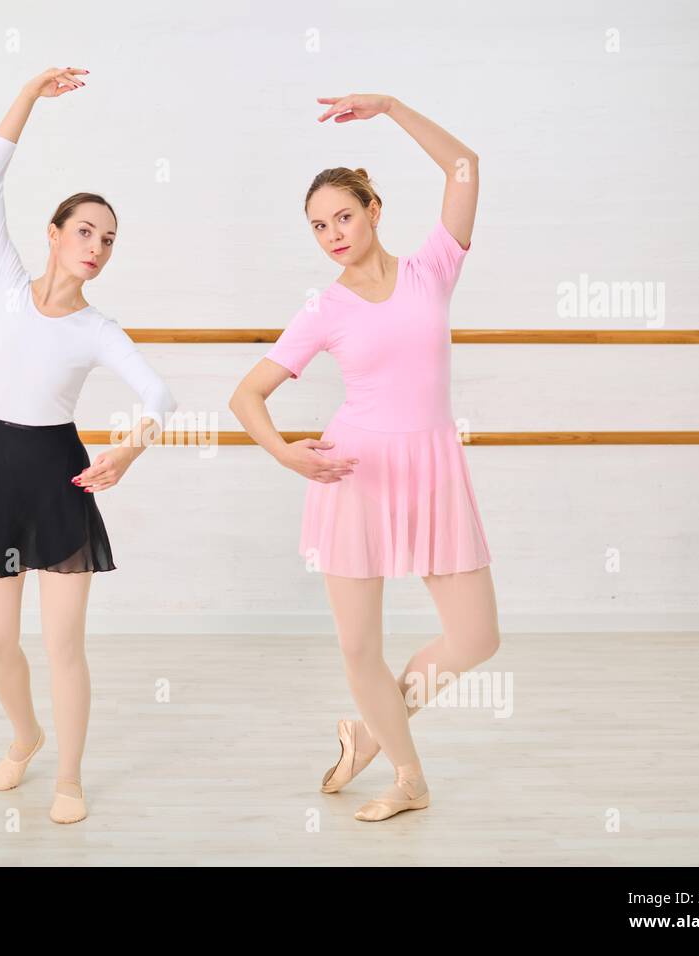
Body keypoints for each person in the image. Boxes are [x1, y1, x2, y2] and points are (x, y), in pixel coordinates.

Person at [229, 92, 501, 823]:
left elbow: (465, 165)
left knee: (477, 636)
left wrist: (390, 108)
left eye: (342, 216)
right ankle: (409, 776)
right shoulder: (324, 308)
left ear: (374, 209)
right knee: (360, 648)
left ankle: (371, 733)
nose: (332, 234)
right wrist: (286, 454)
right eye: (319, 227)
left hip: (433, 469)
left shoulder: (431, 270)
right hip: (353, 476)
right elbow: (247, 398)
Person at [0, 67, 177, 824]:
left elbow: (160, 396)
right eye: (85, 230)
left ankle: (71, 777)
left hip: (60, 481)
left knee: (62, 645)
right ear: (52, 236)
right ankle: (25, 737)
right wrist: (28, 93)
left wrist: (130, 449)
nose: (97, 246)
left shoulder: (97, 330)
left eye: (109, 239)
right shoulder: (7, 287)